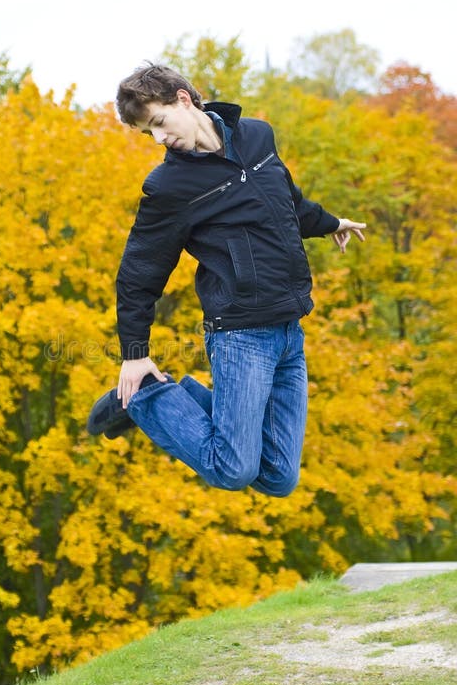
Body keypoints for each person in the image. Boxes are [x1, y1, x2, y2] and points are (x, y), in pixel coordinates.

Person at [87, 64, 366, 496]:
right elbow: (139, 271)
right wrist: (134, 353)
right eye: (148, 134)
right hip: (241, 336)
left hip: (290, 328)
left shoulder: (257, 136)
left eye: (158, 123)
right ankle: (144, 395)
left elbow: (286, 201)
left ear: (183, 99)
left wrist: (329, 222)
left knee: (277, 477)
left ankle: (172, 400)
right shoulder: (169, 186)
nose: (159, 139)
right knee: (234, 468)